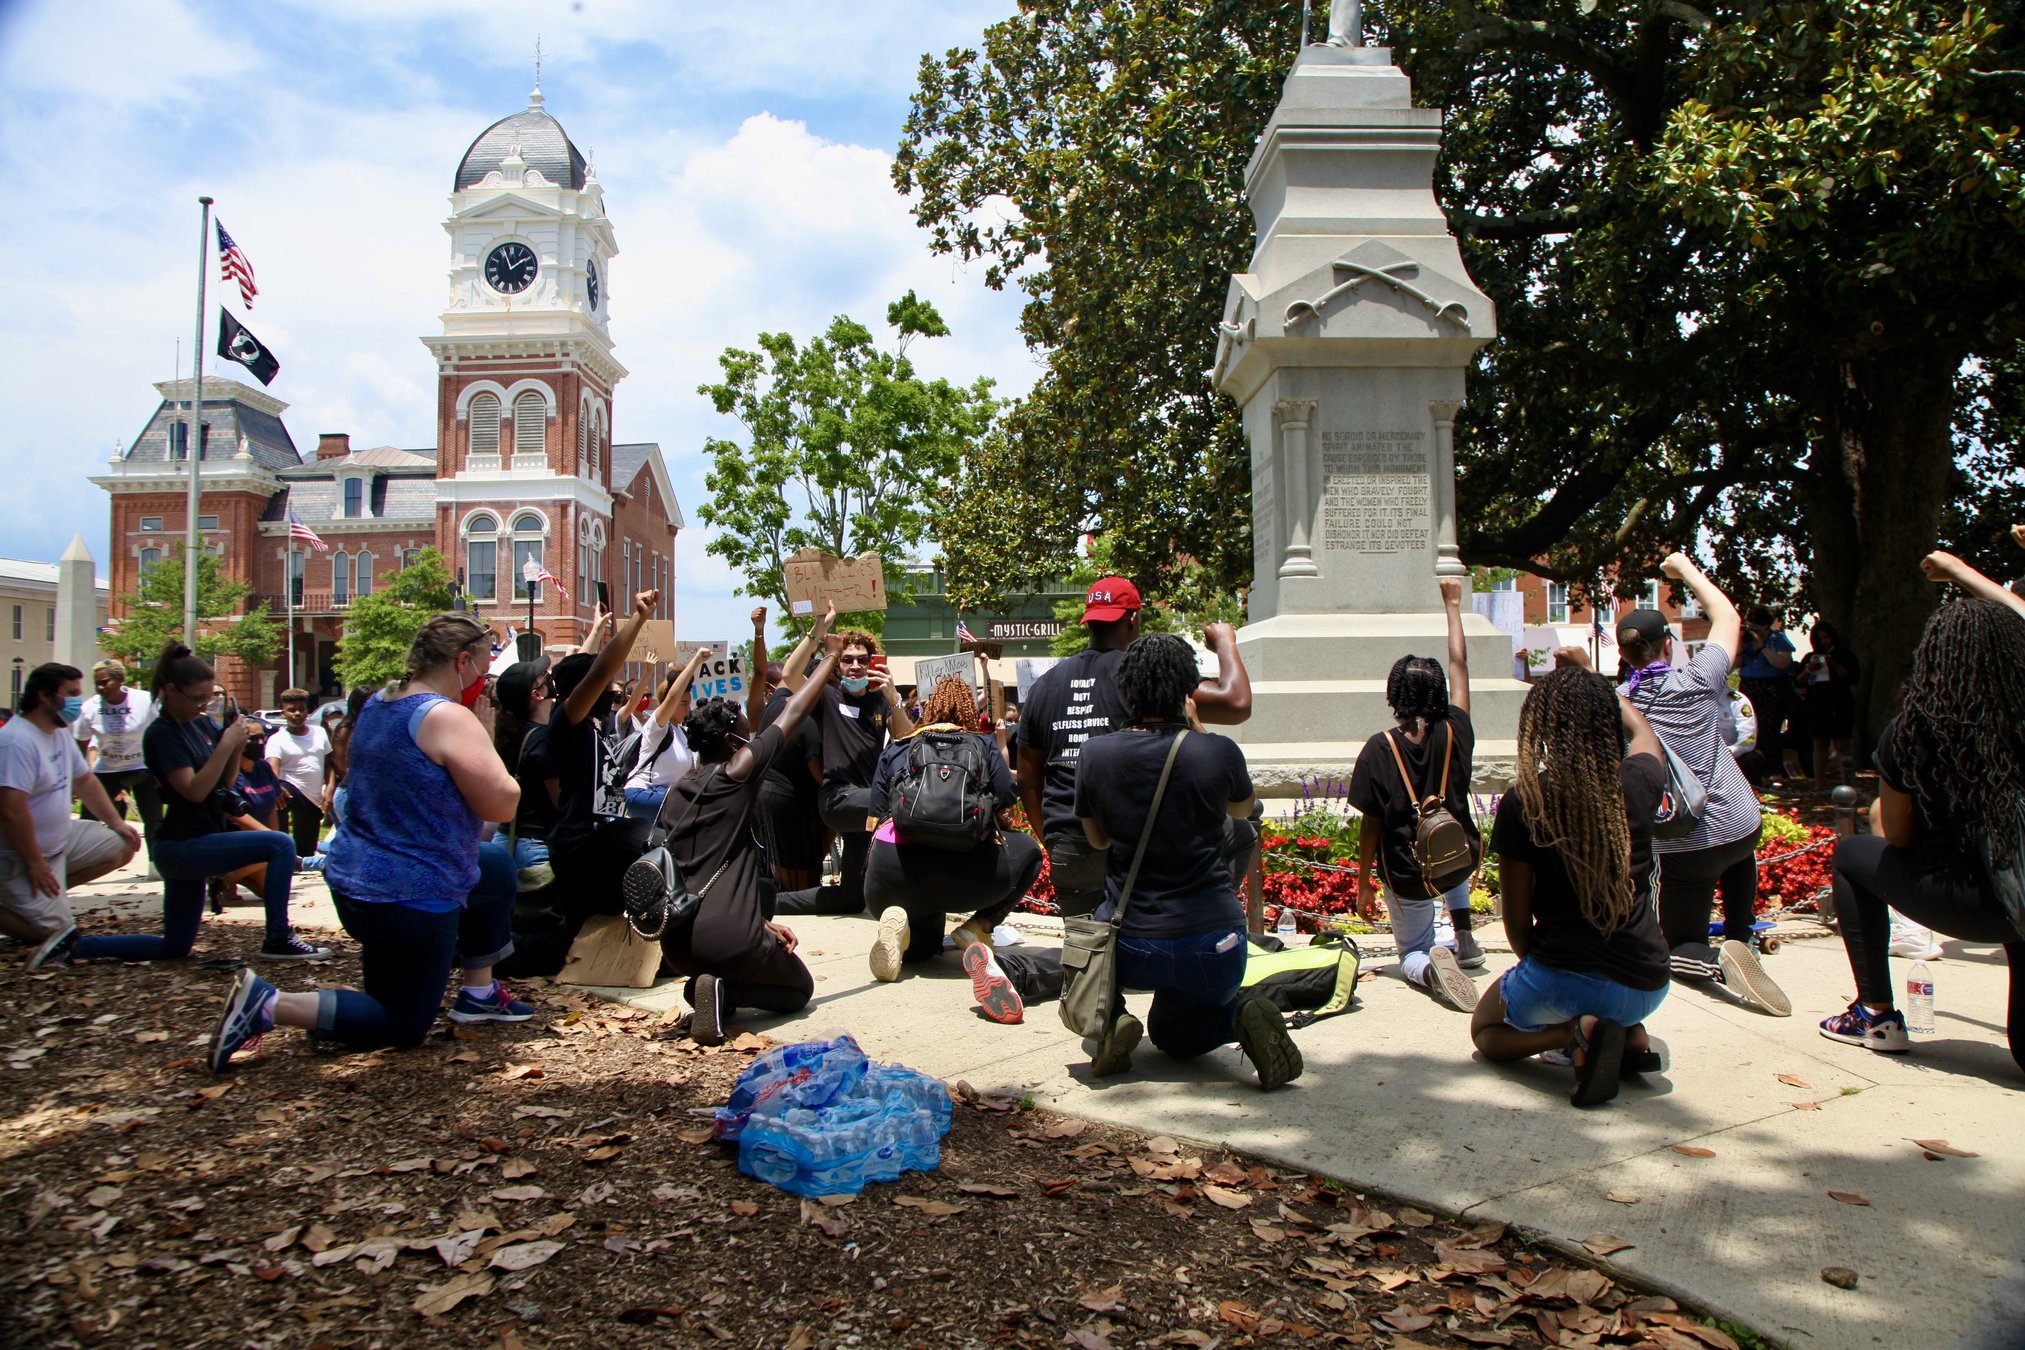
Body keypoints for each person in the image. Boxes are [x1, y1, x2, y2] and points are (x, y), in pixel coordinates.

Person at [208, 615, 532, 1071]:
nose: (485, 679)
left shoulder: (380, 703)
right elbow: (503, 803)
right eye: (483, 666)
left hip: (357, 879)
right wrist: (486, 734)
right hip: (412, 893)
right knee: (402, 1023)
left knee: (493, 866)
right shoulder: (449, 717)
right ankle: (270, 1003)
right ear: (462, 662)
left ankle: (478, 993)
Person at [1819, 549, 2025, 1071]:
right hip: (2020, 895)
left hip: (1960, 900)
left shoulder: (1911, 733)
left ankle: (1875, 1013)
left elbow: (1899, 837)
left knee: (1851, 855)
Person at [1071, 634, 1303, 1089]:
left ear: (1126, 688)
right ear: (1188, 689)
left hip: (1132, 944)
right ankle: (1236, 1020)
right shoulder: (1217, 750)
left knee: (1090, 959)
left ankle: (1113, 1021)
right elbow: (1242, 812)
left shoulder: (1096, 753)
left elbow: (1097, 840)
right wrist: (1198, 731)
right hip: (1215, 941)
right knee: (1175, 1035)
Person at [32, 647, 326, 968]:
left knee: (175, 945)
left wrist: (234, 747)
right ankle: (278, 938)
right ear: (171, 690)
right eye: (197, 698)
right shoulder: (162, 734)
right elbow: (194, 791)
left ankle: (75, 946)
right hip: (181, 845)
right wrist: (226, 745)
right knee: (280, 844)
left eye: (208, 699)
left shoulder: (198, 726)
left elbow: (223, 783)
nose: (203, 706)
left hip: (200, 839)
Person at [1472, 668, 1672, 1106]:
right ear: (1608, 721)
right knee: (1614, 1005)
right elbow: (1646, 736)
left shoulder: (1525, 801)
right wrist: (1607, 693)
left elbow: (1517, 925)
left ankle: (1571, 1035)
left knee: (1485, 1031)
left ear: (1543, 729)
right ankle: (1628, 1036)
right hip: (1645, 984)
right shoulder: (1640, 781)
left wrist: (1546, 972)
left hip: (1559, 980)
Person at [1017, 577, 1254, 918]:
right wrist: (1226, 644)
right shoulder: (1145, 678)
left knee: (1086, 947)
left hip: (1068, 846)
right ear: (1133, 619)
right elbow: (1236, 703)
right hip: (1134, 844)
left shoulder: (1044, 686)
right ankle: (1206, 916)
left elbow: (1028, 779)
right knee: (1240, 834)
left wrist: (1051, 840)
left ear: (1088, 621)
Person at [1617, 553, 1786, 1016]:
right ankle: (1740, 936)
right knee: (1737, 849)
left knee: (1676, 946)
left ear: (1624, 655)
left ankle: (1713, 961)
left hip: (1681, 843)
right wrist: (1684, 569)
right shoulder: (1699, 678)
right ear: (1667, 646)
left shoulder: (1620, 704)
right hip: (1739, 823)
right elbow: (1727, 617)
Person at [661, 643, 842, 1044]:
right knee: (799, 991)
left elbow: (700, 874)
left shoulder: (676, 792)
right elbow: (794, 712)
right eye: (745, 729)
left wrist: (761, 923)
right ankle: (726, 991)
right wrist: (830, 658)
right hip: (731, 940)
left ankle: (707, 989)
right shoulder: (736, 774)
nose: (751, 734)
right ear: (731, 740)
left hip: (676, 944)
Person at [1348, 576, 1484, 1009]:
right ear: (1440, 692)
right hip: (1458, 857)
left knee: (1411, 950)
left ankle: (1427, 969)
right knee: (1451, 856)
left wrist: (1365, 882)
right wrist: (1453, 605)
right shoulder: (1458, 729)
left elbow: (1371, 825)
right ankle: (1465, 937)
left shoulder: (1379, 748)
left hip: (1408, 869)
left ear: (1394, 693)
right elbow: (1460, 663)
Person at [861, 675, 1042, 982]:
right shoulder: (982, 744)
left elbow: (875, 815)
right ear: (970, 709)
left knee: (921, 952)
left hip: (892, 876)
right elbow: (1007, 794)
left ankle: (896, 923)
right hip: (965, 873)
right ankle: (978, 927)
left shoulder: (899, 746)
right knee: (1031, 852)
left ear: (929, 707)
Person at [539, 590, 663, 959]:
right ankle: (507, 955)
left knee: (592, 938)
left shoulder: (593, 726)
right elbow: (598, 670)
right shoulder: (566, 723)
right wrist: (638, 619)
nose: (612, 692)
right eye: (606, 688)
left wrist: (597, 629)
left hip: (603, 840)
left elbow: (588, 668)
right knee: (571, 947)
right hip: (583, 845)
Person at [774, 604, 915, 915]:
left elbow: (906, 739)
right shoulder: (827, 696)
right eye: (847, 659)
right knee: (904, 803)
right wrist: (819, 629)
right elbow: (789, 674)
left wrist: (895, 700)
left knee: (852, 898)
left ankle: (770, 903)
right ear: (837, 665)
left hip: (869, 806)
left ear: (872, 664)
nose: (855, 666)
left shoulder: (881, 701)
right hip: (838, 799)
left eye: (862, 660)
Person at [1, 664, 142, 963]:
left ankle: (43, 896)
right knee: (54, 935)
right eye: (72, 694)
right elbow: (12, 811)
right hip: (19, 856)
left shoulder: (57, 733)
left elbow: (85, 780)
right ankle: (23, 900)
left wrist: (116, 822)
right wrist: (35, 863)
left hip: (60, 843)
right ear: (44, 696)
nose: (78, 701)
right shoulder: (16, 741)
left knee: (121, 844)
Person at [73, 659, 161, 860]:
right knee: (88, 818)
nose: (101, 687)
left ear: (120, 680)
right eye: (97, 683)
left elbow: (162, 733)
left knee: (153, 818)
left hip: (142, 765)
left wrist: (160, 769)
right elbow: (80, 745)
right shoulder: (90, 708)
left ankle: (156, 864)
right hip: (107, 768)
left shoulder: (145, 701)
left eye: (105, 682)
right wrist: (78, 779)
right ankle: (83, 860)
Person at [621, 647, 710, 822]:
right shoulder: (657, 728)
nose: (688, 709)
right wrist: (696, 662)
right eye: (683, 703)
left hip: (667, 798)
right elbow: (672, 697)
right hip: (641, 794)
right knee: (694, 809)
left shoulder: (683, 734)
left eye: (689, 703)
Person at [209, 720, 287, 911]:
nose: (260, 743)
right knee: (272, 853)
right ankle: (224, 880)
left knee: (272, 891)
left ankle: (235, 877)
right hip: (234, 840)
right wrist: (270, 838)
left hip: (261, 838)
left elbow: (272, 807)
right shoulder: (231, 772)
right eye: (253, 739)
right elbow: (236, 815)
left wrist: (275, 835)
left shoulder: (264, 768)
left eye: (262, 737)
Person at [493, 656, 558, 871]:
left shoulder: (507, 734)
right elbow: (559, 798)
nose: (550, 679)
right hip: (536, 844)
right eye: (545, 677)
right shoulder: (541, 738)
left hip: (506, 838)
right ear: (536, 694)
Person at [266, 688, 334, 859]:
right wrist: (276, 788)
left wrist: (330, 788)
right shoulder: (276, 740)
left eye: (301, 709)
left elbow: (329, 764)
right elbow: (273, 770)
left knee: (306, 851)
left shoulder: (319, 733)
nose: (297, 713)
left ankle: (299, 858)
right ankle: (280, 853)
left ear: (307, 711)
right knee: (280, 794)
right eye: (291, 710)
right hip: (288, 790)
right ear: (283, 713)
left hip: (312, 797)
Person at [1735, 606, 1796, 779]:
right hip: (1749, 685)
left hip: (1772, 687)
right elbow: (1736, 663)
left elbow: (1782, 663)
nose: (1753, 631)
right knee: (1751, 729)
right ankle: (1755, 772)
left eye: (1756, 627)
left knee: (1769, 729)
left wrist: (1761, 646)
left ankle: (1775, 771)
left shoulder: (1777, 639)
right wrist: (1740, 643)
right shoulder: (1746, 640)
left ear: (1765, 625)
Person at [1800, 621, 1860, 789]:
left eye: (1826, 637)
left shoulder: (1844, 655)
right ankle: (1819, 784)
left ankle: (1848, 784)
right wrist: (1809, 669)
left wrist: (1830, 662)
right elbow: (1798, 681)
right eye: (1819, 639)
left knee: (1842, 745)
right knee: (1820, 744)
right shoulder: (1810, 657)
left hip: (1840, 705)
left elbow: (1852, 677)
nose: (1823, 641)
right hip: (1817, 706)